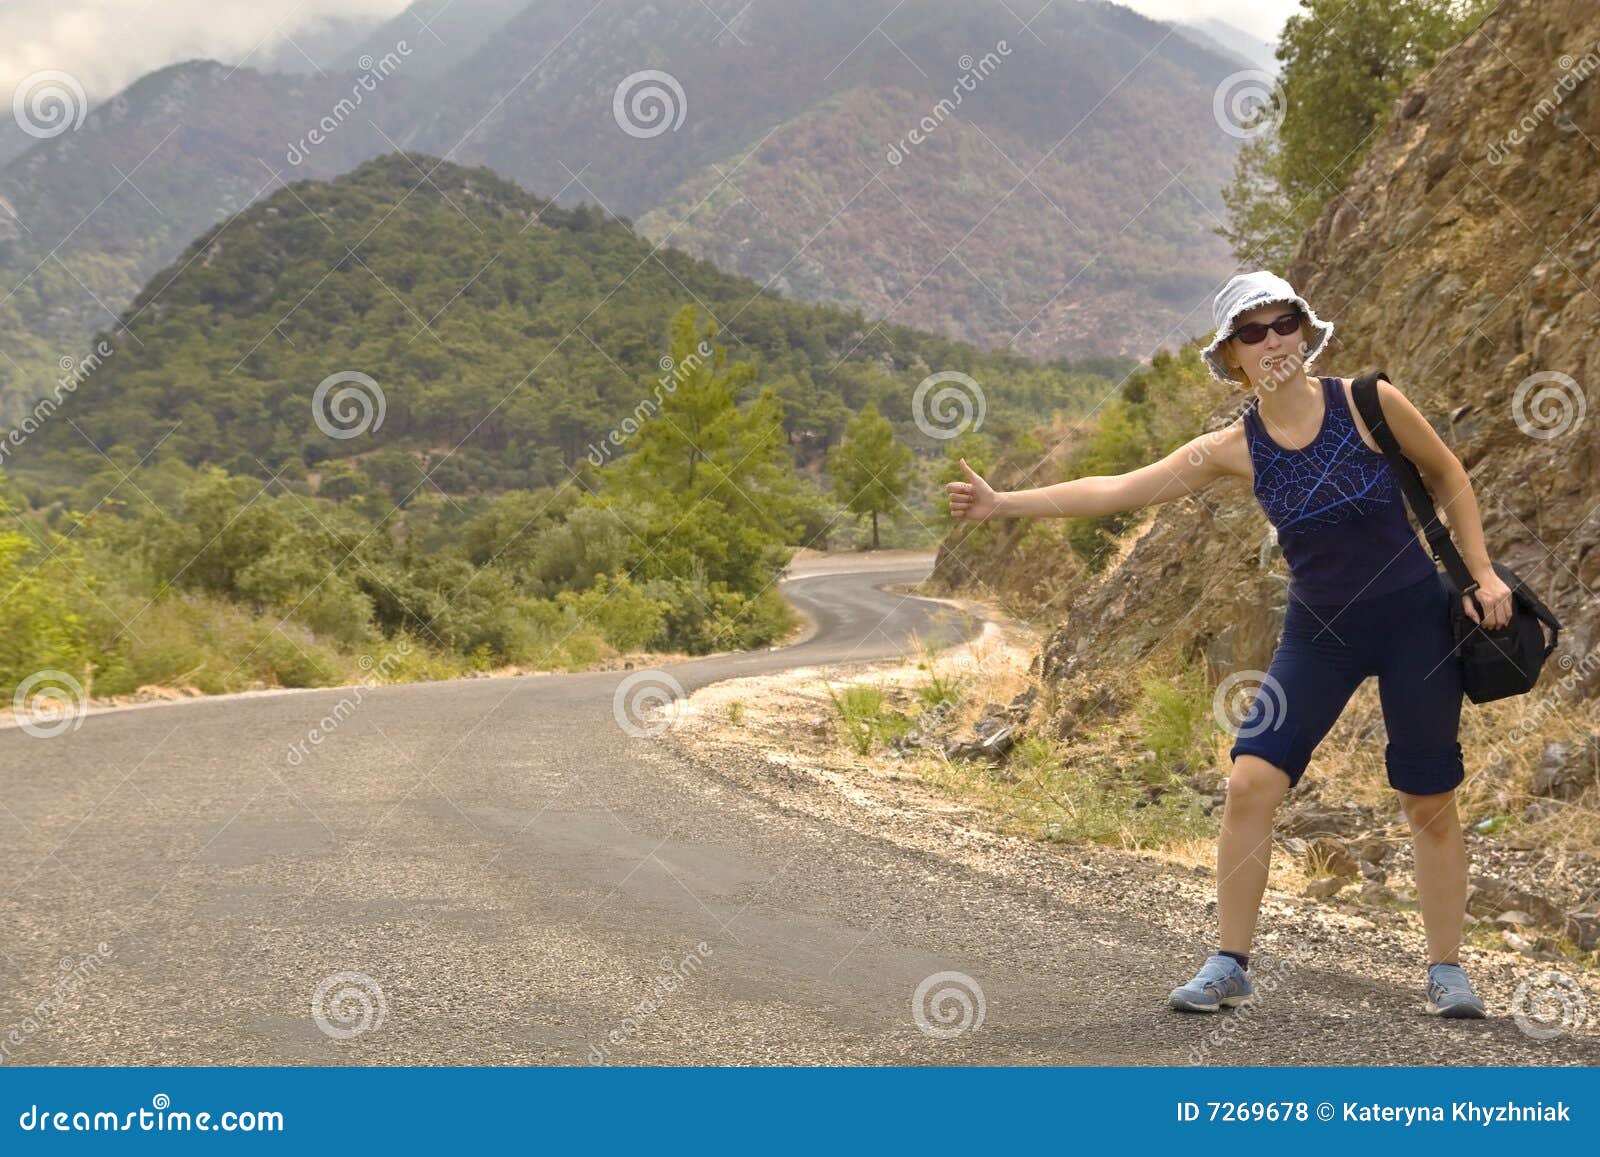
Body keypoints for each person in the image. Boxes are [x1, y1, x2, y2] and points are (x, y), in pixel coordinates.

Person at [946, 270, 1515, 1019]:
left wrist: (1482, 573)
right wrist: (1002, 503)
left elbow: (1448, 475)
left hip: (1416, 621)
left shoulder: (1369, 402)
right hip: (1321, 633)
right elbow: (1119, 488)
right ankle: (1230, 961)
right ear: (1232, 356)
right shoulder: (1232, 448)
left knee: (1428, 799)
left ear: (1305, 333)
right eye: (1254, 331)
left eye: (1284, 323)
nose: (1273, 339)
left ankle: (1447, 971)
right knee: (1250, 780)